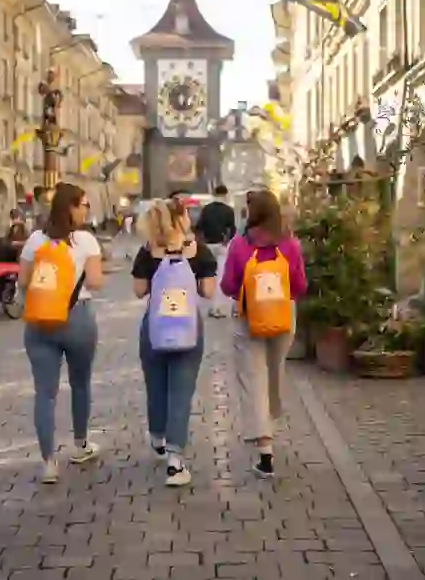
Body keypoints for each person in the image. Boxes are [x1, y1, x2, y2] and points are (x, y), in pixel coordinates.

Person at [19, 183, 104, 484]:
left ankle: (48, 463)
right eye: (84, 205)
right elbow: (95, 282)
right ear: (71, 207)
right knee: (80, 383)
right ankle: (80, 445)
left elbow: (23, 280)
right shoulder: (85, 240)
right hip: (77, 318)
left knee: (44, 392)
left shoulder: (35, 239)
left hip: (40, 320)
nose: (86, 210)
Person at [220, 189, 307, 479]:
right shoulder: (290, 244)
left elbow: (228, 286)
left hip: (250, 319)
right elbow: (299, 286)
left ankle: (265, 449)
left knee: (252, 379)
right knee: (274, 372)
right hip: (283, 317)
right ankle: (271, 419)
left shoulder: (239, 245)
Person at [131, 198, 217, 486]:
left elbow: (139, 290)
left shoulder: (147, 251)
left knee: (156, 386)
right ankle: (175, 461)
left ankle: (157, 437)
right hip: (188, 328)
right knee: (181, 392)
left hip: (154, 328)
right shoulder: (199, 251)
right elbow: (207, 291)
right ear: (181, 219)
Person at [195, 185, 236, 318]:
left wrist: (201, 242)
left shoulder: (207, 209)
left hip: (207, 246)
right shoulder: (228, 210)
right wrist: (226, 241)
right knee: (220, 276)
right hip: (221, 245)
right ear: (225, 194)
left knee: (208, 275)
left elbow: (199, 227)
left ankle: (208, 305)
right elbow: (232, 229)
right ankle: (217, 307)